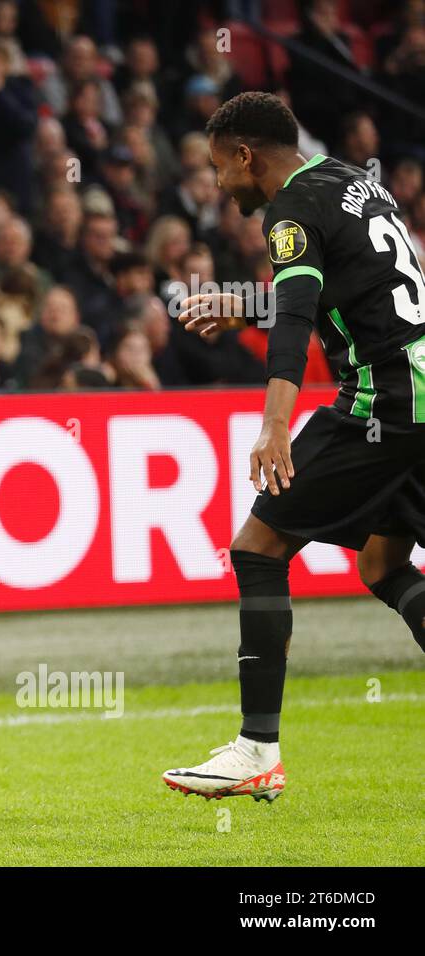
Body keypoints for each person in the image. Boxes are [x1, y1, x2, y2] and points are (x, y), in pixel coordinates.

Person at [166, 92, 425, 801]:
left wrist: (277, 422)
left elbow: (300, 317)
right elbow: (353, 283)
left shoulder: (288, 209)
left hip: (385, 397)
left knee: (256, 548)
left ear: (247, 156)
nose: (221, 184)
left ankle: (256, 751)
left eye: (222, 168)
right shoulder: (350, 179)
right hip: (421, 388)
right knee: (382, 562)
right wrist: (246, 301)